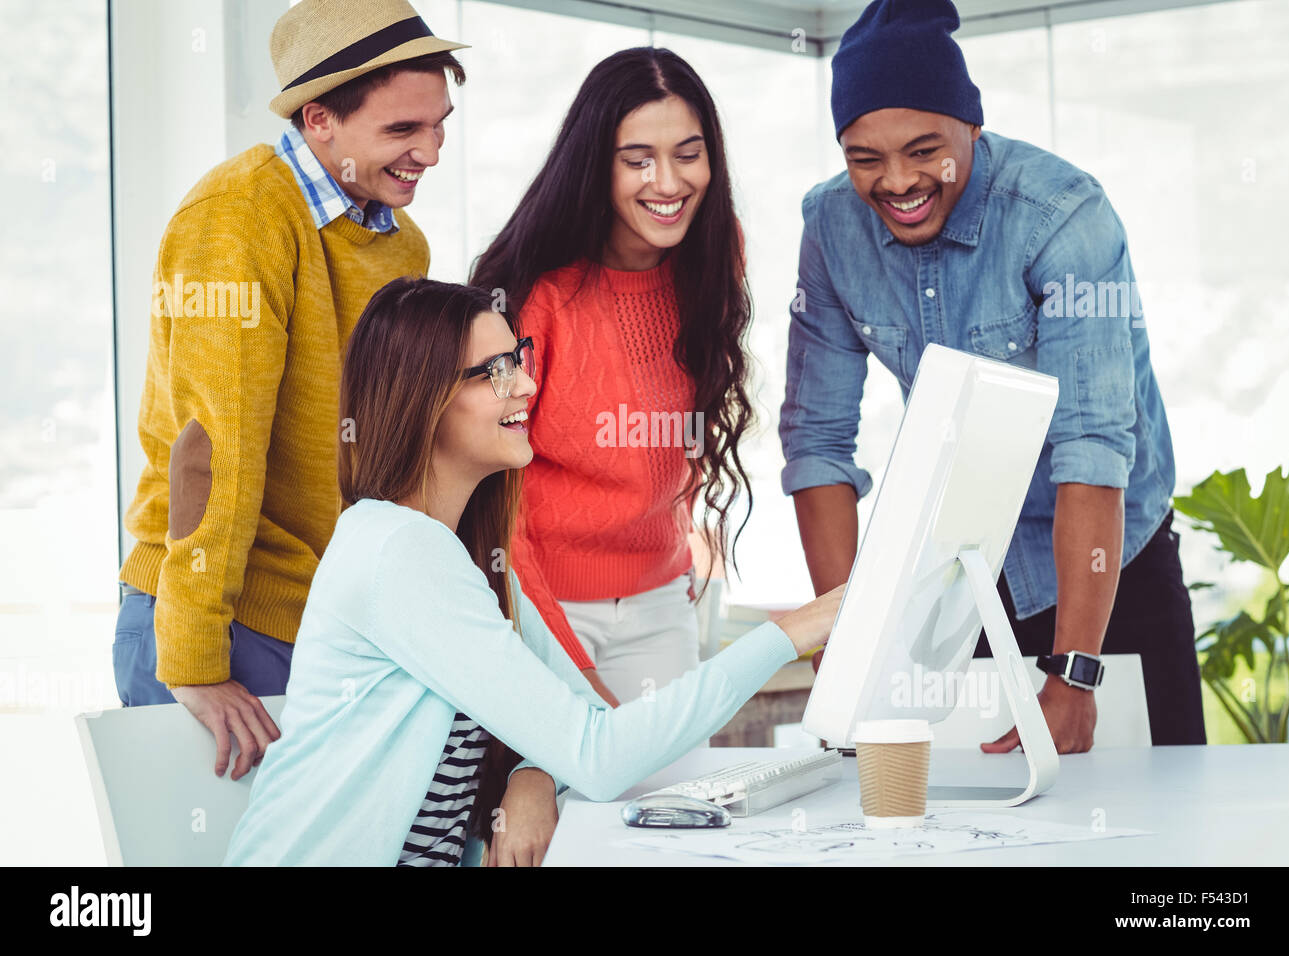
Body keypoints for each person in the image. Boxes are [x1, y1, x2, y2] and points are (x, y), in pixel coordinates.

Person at [222, 278, 844, 866]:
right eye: (495, 372)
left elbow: (584, 729)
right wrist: (798, 628)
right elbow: (599, 756)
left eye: (517, 358)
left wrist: (534, 773)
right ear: (424, 400)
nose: (523, 385)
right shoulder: (398, 551)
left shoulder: (472, 561)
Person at [779, 0, 1205, 751]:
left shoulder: (1063, 217)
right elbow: (817, 442)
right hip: (971, 567)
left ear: (971, 126)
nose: (898, 182)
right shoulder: (831, 229)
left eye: (924, 150)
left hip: (1115, 562)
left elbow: (1092, 447)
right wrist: (840, 646)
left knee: (1159, 811)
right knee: (969, 812)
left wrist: (1073, 673)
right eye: (864, 158)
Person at [112, 0, 478, 781]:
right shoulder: (242, 215)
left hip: (325, 617)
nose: (432, 152)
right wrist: (195, 656)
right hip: (215, 613)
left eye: (440, 124)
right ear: (319, 120)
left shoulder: (401, 242)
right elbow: (214, 448)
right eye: (403, 131)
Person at [470, 47, 755, 706]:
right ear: (595, 165)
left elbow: (690, 412)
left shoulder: (714, 256)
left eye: (689, 154)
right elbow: (495, 498)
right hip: (543, 597)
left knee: (675, 805)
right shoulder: (533, 294)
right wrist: (574, 668)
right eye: (637, 161)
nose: (668, 183)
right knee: (564, 799)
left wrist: (676, 543)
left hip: (662, 600)